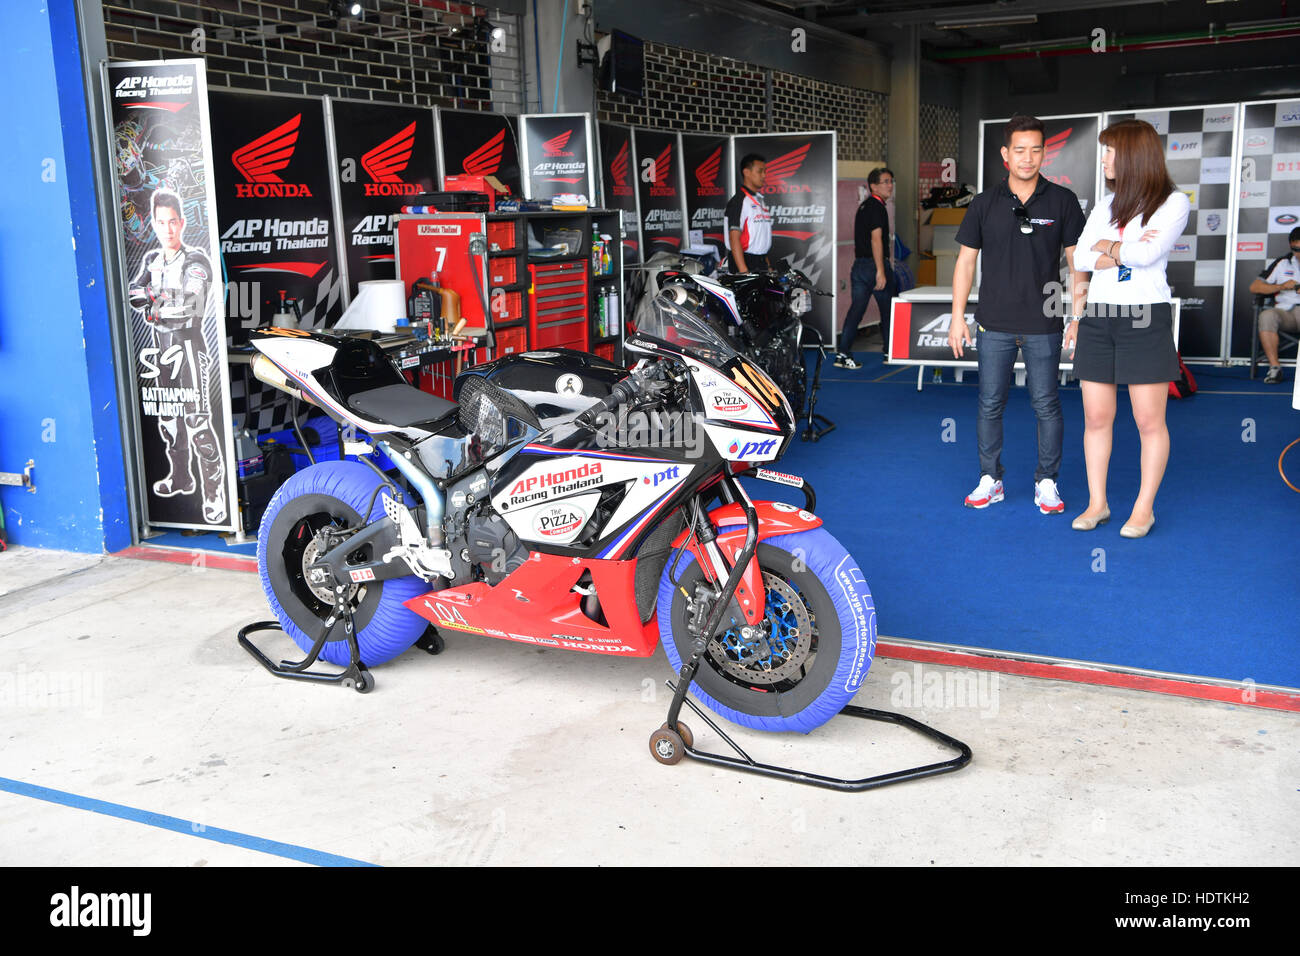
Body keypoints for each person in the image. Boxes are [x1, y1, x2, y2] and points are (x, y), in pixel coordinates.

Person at [948, 115, 1086, 514]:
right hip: (993, 323)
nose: (1028, 158)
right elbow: (965, 263)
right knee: (990, 403)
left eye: (1036, 150)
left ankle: (1047, 482)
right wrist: (958, 316)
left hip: (1044, 324)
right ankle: (990, 479)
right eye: (1020, 150)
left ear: (1045, 153)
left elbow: (1078, 266)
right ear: (1006, 155)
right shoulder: (983, 203)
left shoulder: (1062, 201)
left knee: (1047, 404)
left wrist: (1077, 317)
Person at [1069, 119, 1190, 539]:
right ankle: (1097, 503)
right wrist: (1119, 252)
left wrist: (1108, 247)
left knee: (1147, 420)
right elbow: (1081, 258)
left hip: (1146, 316)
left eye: (1110, 151)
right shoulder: (1105, 205)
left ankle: (1143, 508)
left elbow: (1150, 252)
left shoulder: (1172, 202)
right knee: (1096, 416)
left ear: (1133, 156)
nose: (1103, 158)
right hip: (1099, 316)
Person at [128, 187, 227, 524]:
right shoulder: (151, 260)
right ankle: (181, 477)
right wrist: (160, 302)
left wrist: (154, 301)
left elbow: (188, 304)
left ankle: (214, 495)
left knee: (198, 423)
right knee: (169, 419)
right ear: (154, 225)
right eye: (161, 222)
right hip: (162, 349)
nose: (167, 229)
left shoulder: (196, 259)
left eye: (173, 222)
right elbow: (132, 293)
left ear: (182, 223)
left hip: (189, 347)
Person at [836, 166, 896, 370]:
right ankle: (890, 351)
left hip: (860, 266)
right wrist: (880, 270)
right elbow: (876, 239)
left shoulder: (865, 206)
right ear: (873, 186)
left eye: (891, 181)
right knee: (889, 310)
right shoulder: (876, 207)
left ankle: (843, 353)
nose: (890, 185)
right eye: (885, 182)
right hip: (872, 265)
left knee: (856, 310)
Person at [1248, 226, 1300, 384]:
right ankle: (1275, 368)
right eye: (1295, 249)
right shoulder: (1282, 262)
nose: (1298, 253)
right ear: (1290, 245)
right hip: (1286, 313)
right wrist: (1281, 286)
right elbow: (1254, 287)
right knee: (1267, 316)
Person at [726, 154, 773, 274]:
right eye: (760, 171)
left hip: (760, 262)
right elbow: (734, 238)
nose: (764, 175)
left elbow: (761, 239)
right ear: (746, 172)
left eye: (765, 171)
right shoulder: (739, 201)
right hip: (745, 262)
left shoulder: (759, 199)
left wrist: (768, 267)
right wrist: (743, 272)